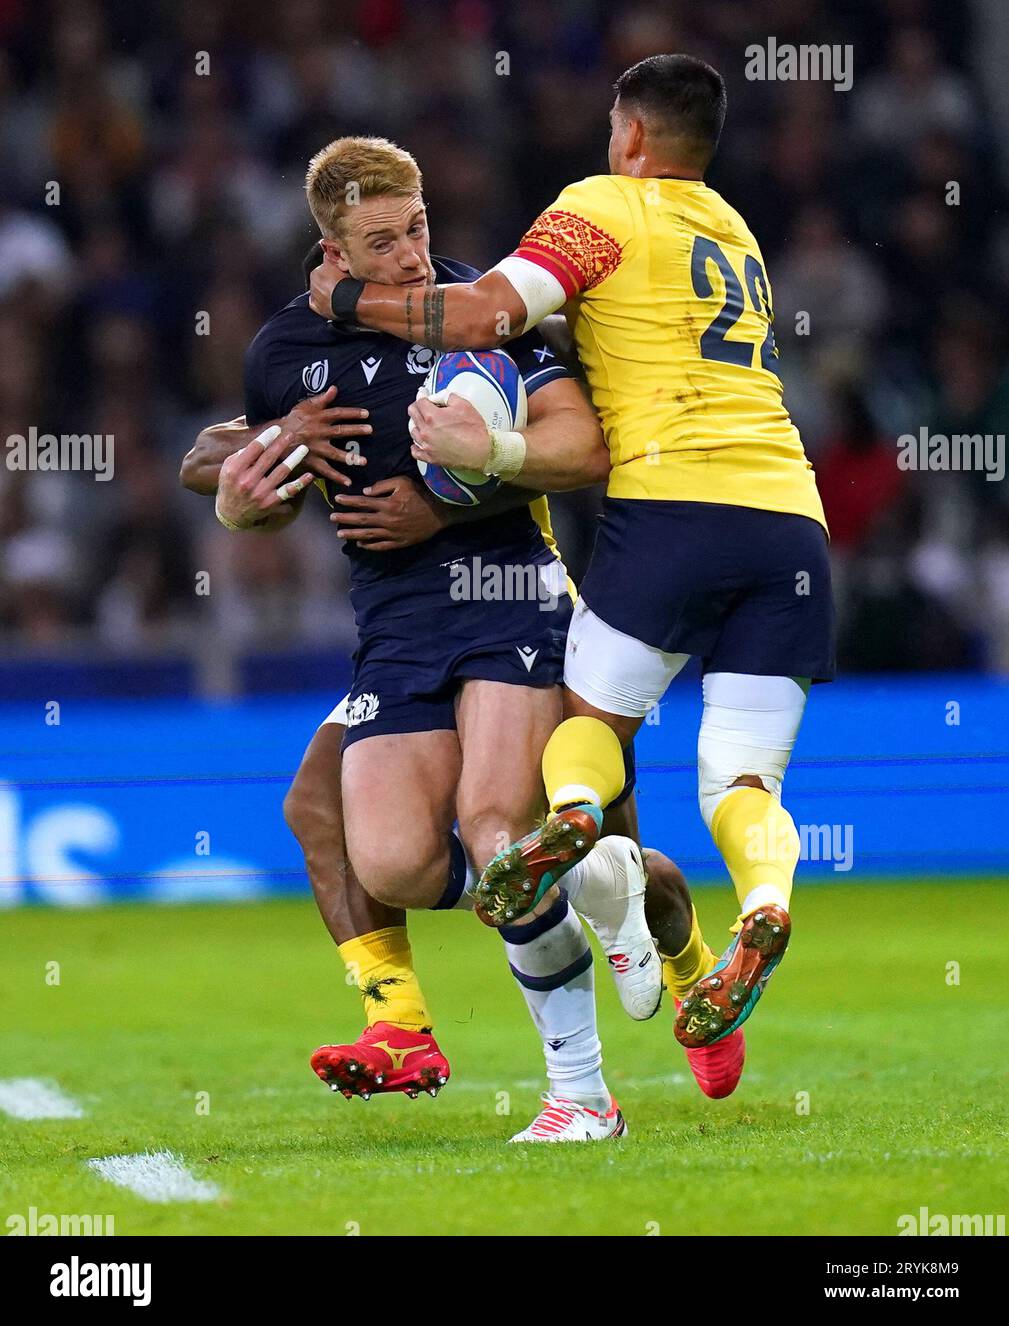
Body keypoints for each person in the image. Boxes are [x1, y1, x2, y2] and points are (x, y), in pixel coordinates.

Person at [182, 135, 742, 1141]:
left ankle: (588, 1086)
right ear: (331, 249)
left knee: (498, 832)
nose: (408, 257)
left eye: (419, 229)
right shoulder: (286, 353)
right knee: (395, 860)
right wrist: (254, 477)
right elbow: (225, 456)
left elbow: (584, 446)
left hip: (510, 596)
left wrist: (447, 508)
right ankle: (635, 909)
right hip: (393, 625)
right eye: (381, 241)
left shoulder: (482, 316)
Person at [306, 58, 835, 1053]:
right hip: (788, 518)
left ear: (631, 136)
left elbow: (476, 316)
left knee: (584, 727)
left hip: (669, 506)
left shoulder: (601, 205)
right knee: (742, 782)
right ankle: (763, 904)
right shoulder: (734, 231)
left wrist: (343, 304)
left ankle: (582, 824)